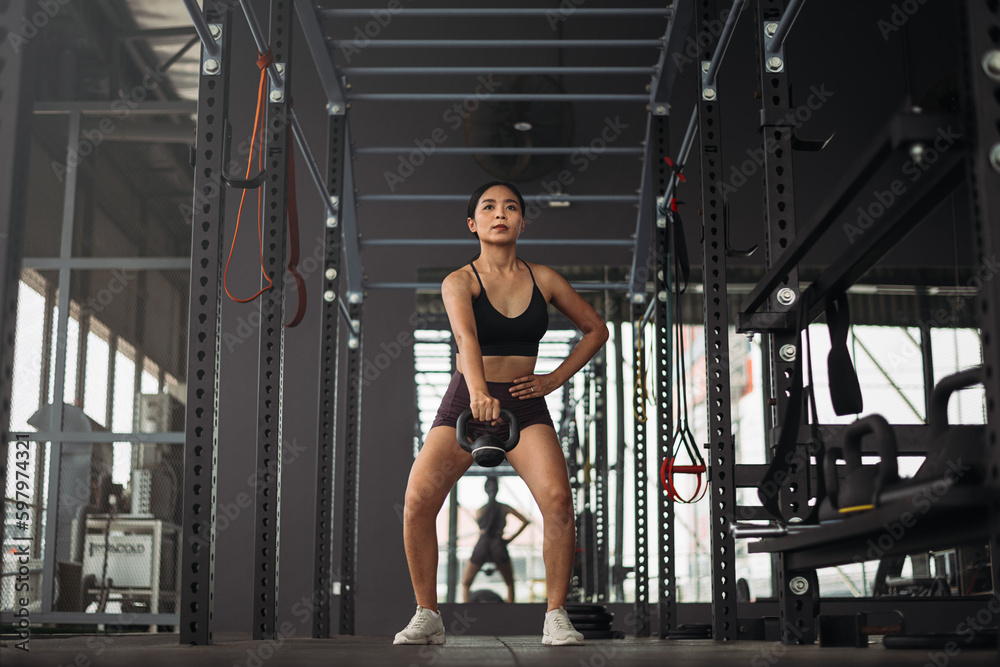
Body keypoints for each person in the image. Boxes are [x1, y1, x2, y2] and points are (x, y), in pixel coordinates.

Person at [394, 181, 609, 647]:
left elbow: (596, 329)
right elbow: (467, 341)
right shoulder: (460, 281)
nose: (500, 214)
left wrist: (554, 379)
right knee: (416, 503)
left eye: (510, 207)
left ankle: (555, 616)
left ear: (522, 222)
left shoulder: (544, 279)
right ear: (473, 224)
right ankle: (427, 614)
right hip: (466, 400)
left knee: (556, 500)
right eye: (489, 207)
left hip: (524, 400)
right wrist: (476, 393)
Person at [462, 476, 530, 604]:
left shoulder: (480, 510)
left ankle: (467, 610)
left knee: (466, 583)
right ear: (497, 489)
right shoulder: (504, 507)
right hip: (498, 544)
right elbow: (525, 521)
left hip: (482, 544)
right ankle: (510, 614)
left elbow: (482, 530)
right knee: (509, 583)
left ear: (485, 490)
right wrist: (509, 539)